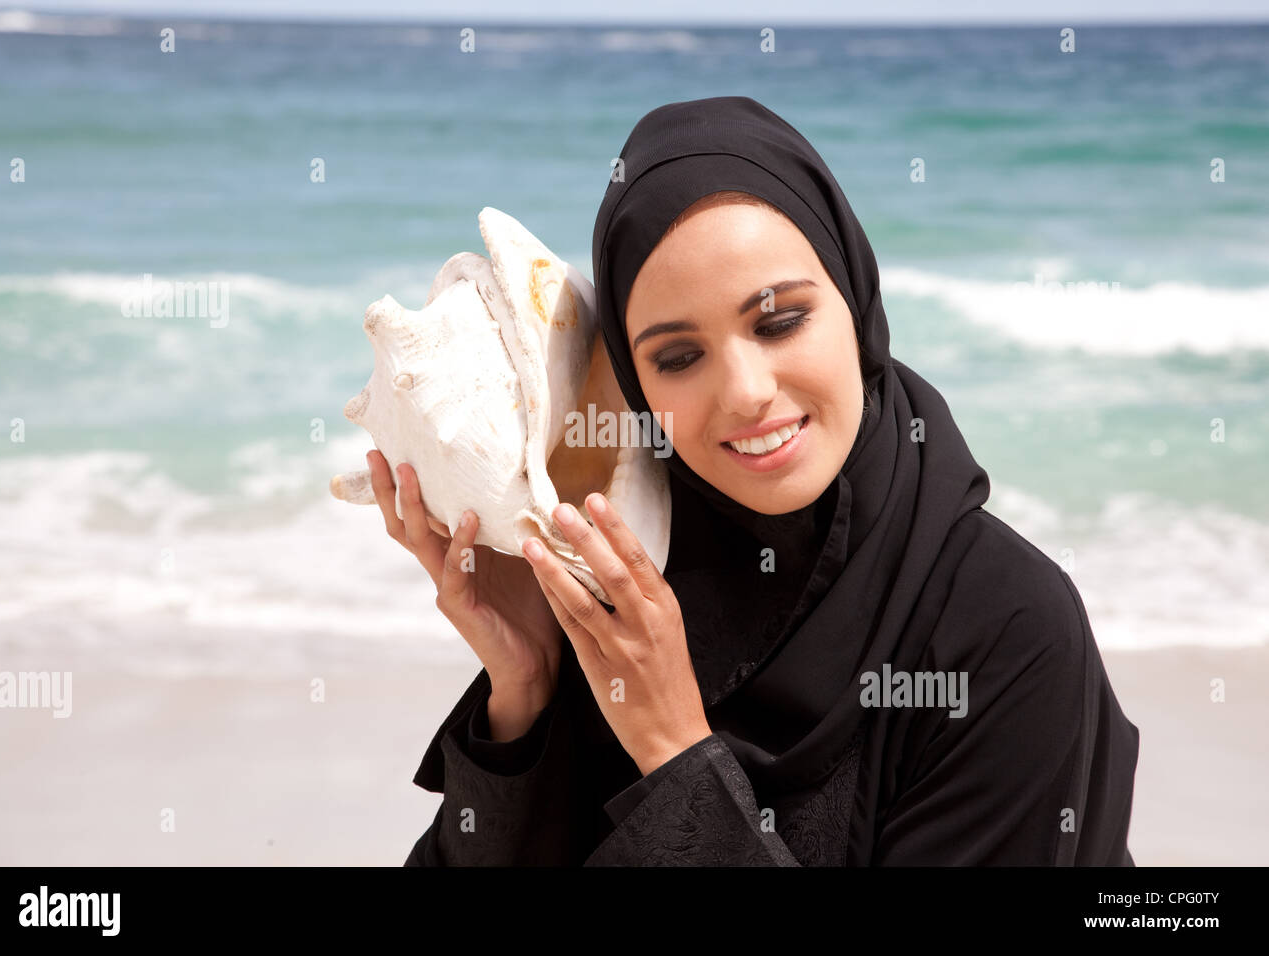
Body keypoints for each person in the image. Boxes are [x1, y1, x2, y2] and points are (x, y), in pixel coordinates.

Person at [371, 95, 1140, 866]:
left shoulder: (1005, 633)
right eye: (677, 358)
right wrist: (525, 692)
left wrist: (674, 750)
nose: (744, 391)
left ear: (855, 299)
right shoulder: (627, 597)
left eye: (779, 322)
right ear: (635, 388)